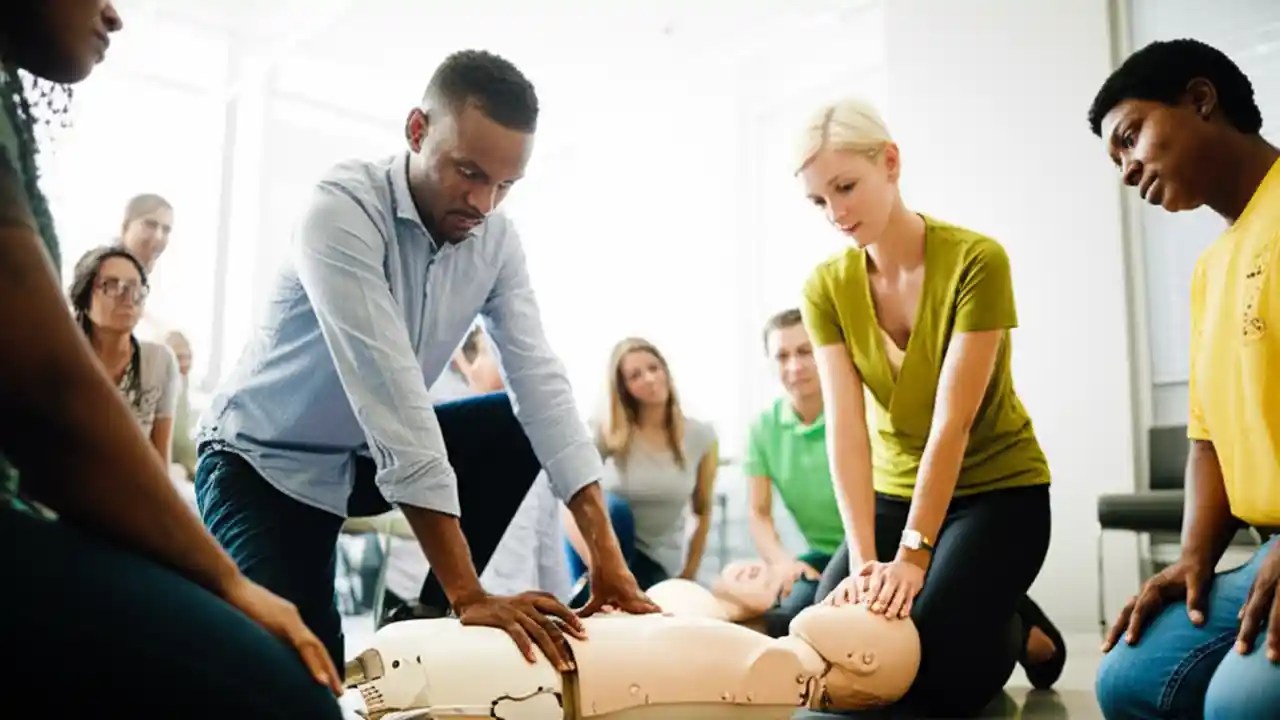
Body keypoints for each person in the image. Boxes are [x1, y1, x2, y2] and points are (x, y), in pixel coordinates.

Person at [195, 49, 656, 673]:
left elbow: (541, 385)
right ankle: (455, 604)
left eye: (505, 184)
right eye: (468, 172)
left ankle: (426, 616)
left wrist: (608, 556)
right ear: (417, 131)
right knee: (299, 675)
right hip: (260, 463)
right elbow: (392, 398)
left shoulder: (495, 239)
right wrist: (472, 591)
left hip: (356, 465)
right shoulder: (342, 210)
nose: (484, 202)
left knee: (515, 421)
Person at [0, 2, 343, 716]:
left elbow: (142, 450)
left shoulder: (157, 359)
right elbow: (54, 406)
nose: (113, 13)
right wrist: (228, 583)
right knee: (290, 693)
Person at [796, 97, 1065, 716]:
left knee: (929, 667)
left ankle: (1012, 621)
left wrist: (916, 557)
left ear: (890, 163)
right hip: (895, 492)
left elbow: (953, 422)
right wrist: (866, 564)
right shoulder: (824, 287)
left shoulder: (977, 261)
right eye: (819, 201)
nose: (835, 212)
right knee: (829, 656)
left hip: (997, 492)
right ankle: (982, 593)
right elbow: (846, 427)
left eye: (845, 187)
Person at [1089, 38, 1280, 719]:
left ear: (1201, 100)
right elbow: (1208, 440)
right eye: (1117, 157)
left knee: (1239, 705)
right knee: (1127, 680)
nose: (1126, 168)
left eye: (1131, 137)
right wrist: (1195, 558)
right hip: (1267, 549)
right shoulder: (1208, 272)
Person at [382, 323, 573, 619]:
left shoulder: (537, 450)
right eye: (500, 353)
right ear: (467, 363)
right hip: (430, 603)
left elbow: (549, 549)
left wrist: (562, 606)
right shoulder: (437, 428)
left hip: (515, 601)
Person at [564, 337, 719, 603]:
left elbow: (702, 512)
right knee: (612, 509)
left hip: (655, 561)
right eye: (635, 375)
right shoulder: (605, 433)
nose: (649, 378)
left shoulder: (701, 436)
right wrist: (601, 569)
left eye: (653, 368)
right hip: (601, 556)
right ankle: (590, 598)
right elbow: (569, 501)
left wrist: (688, 576)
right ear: (623, 388)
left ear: (666, 370)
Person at [743, 308, 845, 638]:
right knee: (787, 614)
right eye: (782, 356)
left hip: (875, 548)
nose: (795, 366)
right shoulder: (763, 428)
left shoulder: (856, 408)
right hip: (822, 555)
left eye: (805, 351)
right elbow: (758, 513)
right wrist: (782, 562)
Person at [67, 246, 180, 465]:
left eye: (135, 288)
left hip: (131, 493)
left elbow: (159, 462)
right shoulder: (62, 358)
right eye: (111, 285)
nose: (127, 297)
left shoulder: (159, 361)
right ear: (84, 298)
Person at [163, 329, 198, 480]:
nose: (185, 363)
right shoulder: (165, 384)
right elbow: (177, 438)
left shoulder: (182, 381)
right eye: (179, 358)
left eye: (188, 356)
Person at [117, 192, 173, 275]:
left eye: (166, 230)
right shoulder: (100, 271)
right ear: (125, 228)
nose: (159, 236)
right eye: (150, 225)